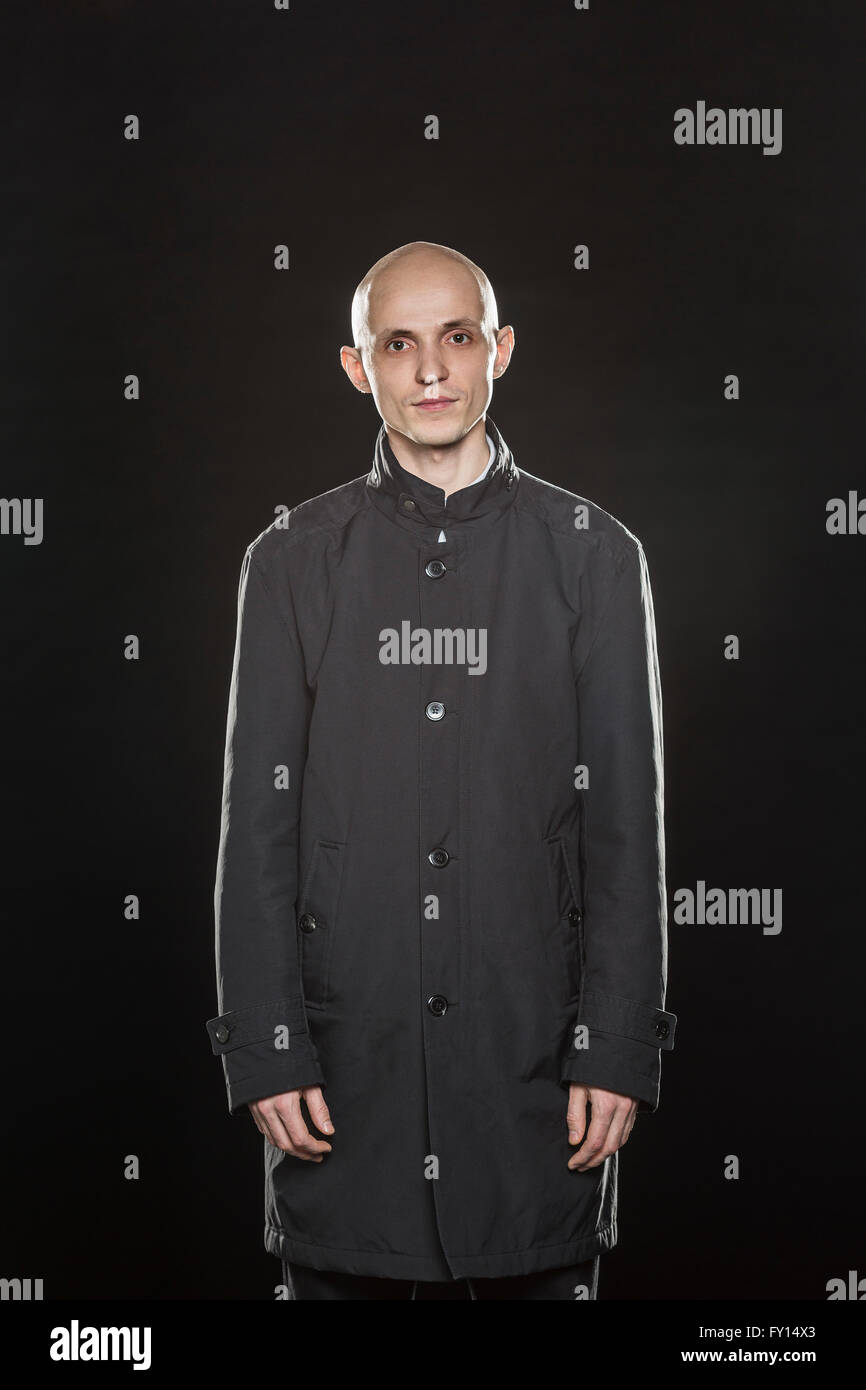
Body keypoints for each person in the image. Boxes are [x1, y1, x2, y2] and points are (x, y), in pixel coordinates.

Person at [206, 240, 677, 1300]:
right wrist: (265, 1051)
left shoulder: (593, 555)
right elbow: (256, 833)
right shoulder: (288, 560)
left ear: (498, 349)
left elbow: (623, 831)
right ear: (355, 364)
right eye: (399, 342)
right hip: (344, 1071)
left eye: (455, 338)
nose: (429, 371)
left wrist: (615, 1045)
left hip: (535, 1072)